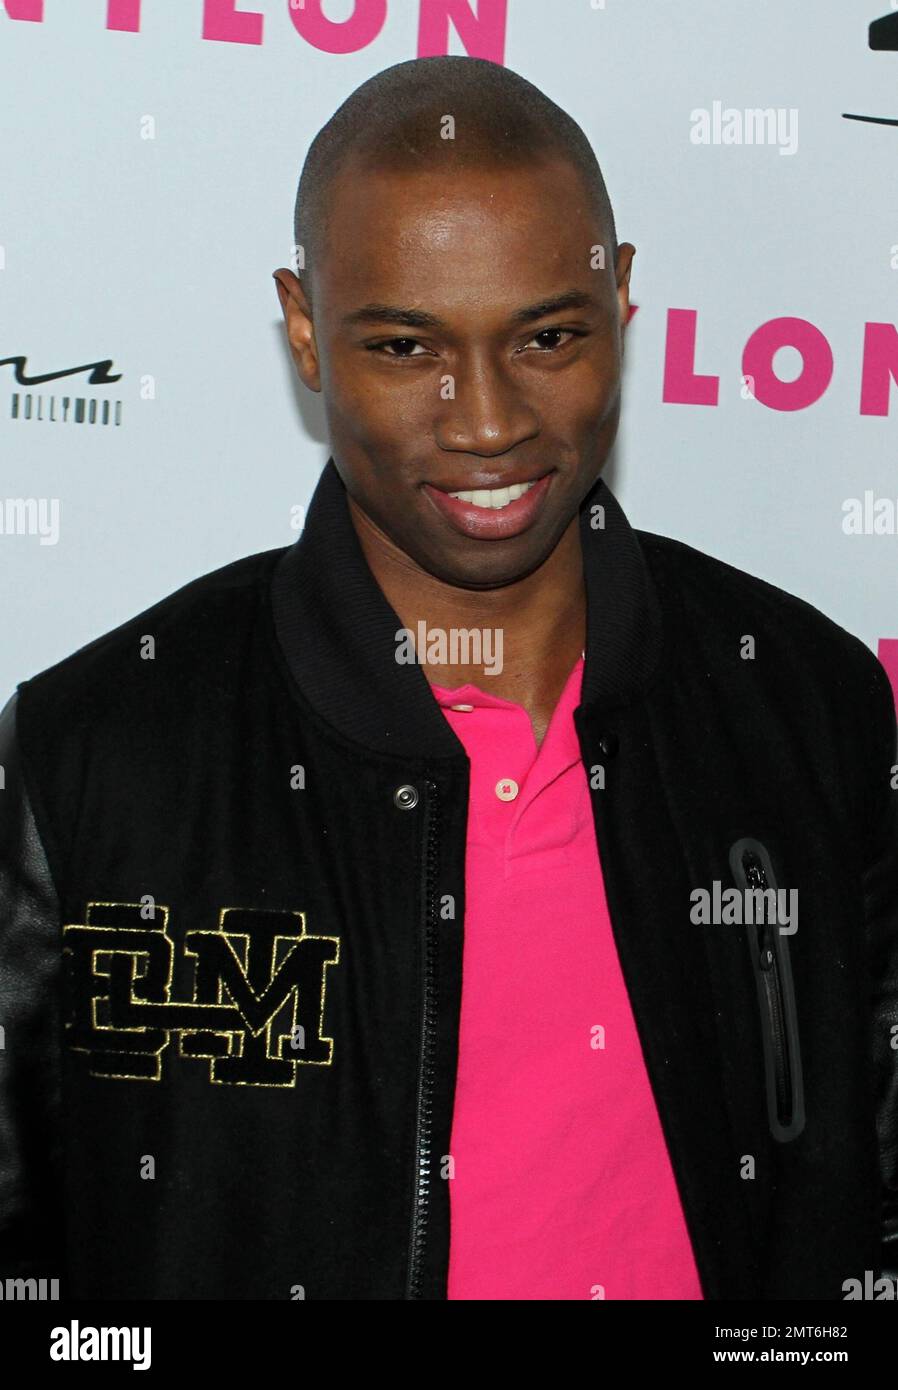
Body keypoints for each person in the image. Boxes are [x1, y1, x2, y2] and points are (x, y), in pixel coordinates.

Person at [1, 54, 896, 1302]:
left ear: (622, 298)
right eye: (405, 343)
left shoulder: (805, 700)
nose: (484, 421)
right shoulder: (97, 748)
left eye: (545, 336)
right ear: (306, 329)